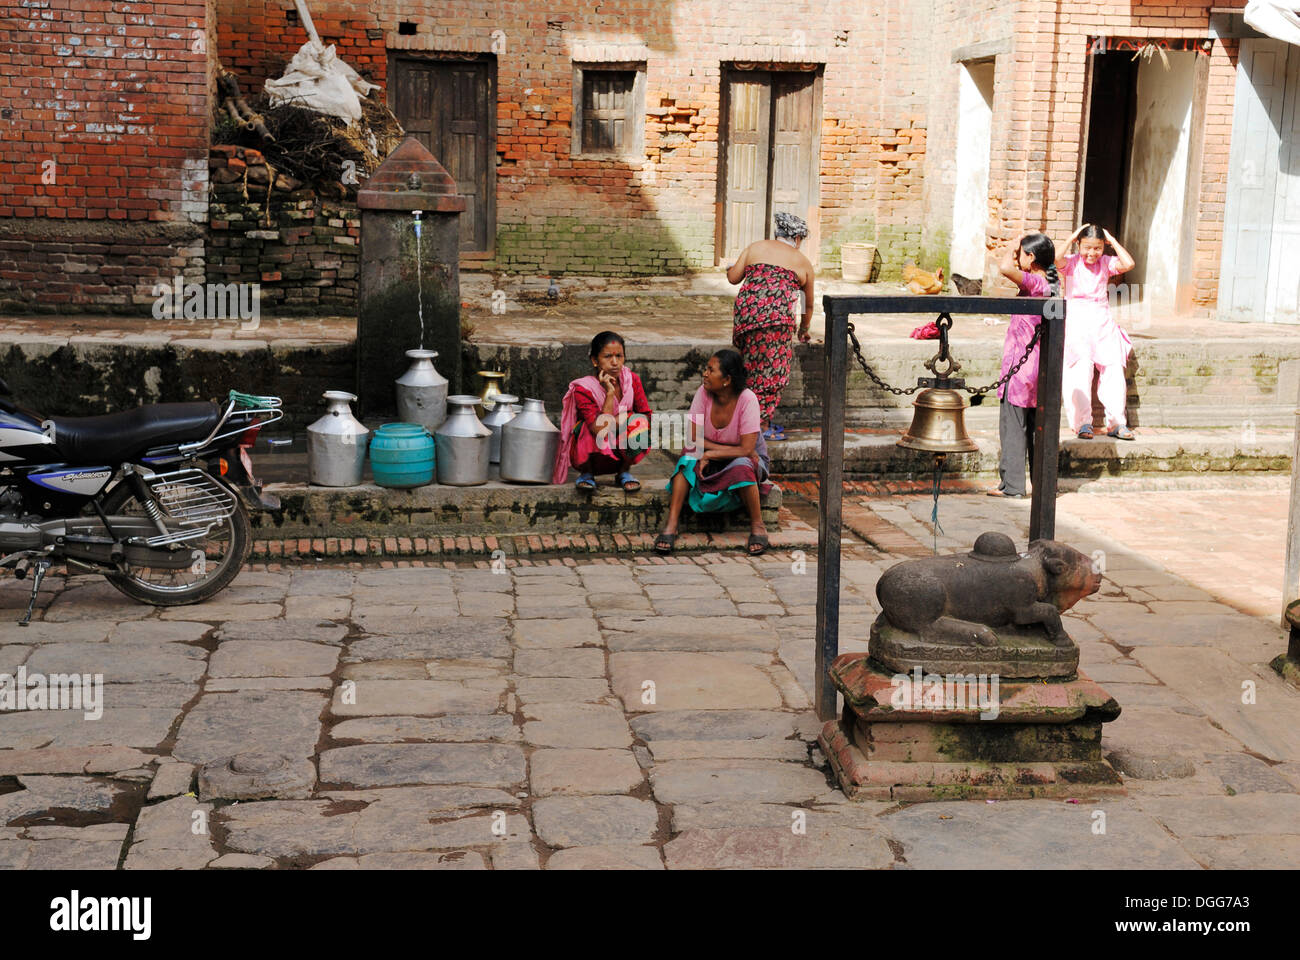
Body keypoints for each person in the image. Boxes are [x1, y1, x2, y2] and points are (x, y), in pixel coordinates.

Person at [655, 349, 771, 556]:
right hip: (717, 451)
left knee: (743, 465)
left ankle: (758, 525)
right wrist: (707, 452)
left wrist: (709, 454)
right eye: (706, 369)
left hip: (744, 460)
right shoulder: (703, 392)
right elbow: (693, 438)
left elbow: (747, 449)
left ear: (727, 379)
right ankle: (671, 524)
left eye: (711, 370)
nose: (705, 374)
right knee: (687, 459)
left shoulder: (747, 399)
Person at [726, 211, 815, 442]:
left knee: (750, 367)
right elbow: (808, 304)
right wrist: (803, 330)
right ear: (796, 239)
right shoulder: (803, 262)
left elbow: (733, 278)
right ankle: (758, 426)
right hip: (776, 322)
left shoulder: (755, 247)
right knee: (773, 372)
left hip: (746, 316)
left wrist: (730, 267)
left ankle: (742, 420)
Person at [989, 234, 1058, 499]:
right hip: (1033, 367)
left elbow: (1006, 269)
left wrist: (1012, 245)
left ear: (1031, 257)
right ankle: (1030, 484)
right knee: (1029, 428)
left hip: (1021, 368)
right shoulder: (1050, 283)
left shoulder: (1037, 283)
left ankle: (1013, 486)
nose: (1018, 259)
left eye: (1022, 255)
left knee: (1013, 426)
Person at [1056, 224, 1137, 440]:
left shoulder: (1107, 263)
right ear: (1079, 246)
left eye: (1098, 248)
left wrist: (1112, 240)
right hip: (1076, 319)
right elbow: (1056, 258)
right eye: (1087, 248)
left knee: (1113, 367)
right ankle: (1083, 423)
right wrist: (1073, 236)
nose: (1092, 253)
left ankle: (1117, 423)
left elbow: (1129, 263)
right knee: (1080, 369)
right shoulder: (1071, 263)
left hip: (1102, 319)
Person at [552, 331, 652, 491]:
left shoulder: (632, 380)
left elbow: (646, 416)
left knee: (638, 421)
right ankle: (587, 473)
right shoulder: (583, 389)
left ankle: (623, 472)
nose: (615, 362)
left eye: (619, 356)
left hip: (621, 452)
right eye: (607, 357)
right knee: (584, 427)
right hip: (591, 454)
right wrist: (610, 394)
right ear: (594, 360)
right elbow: (600, 430)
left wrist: (628, 420)